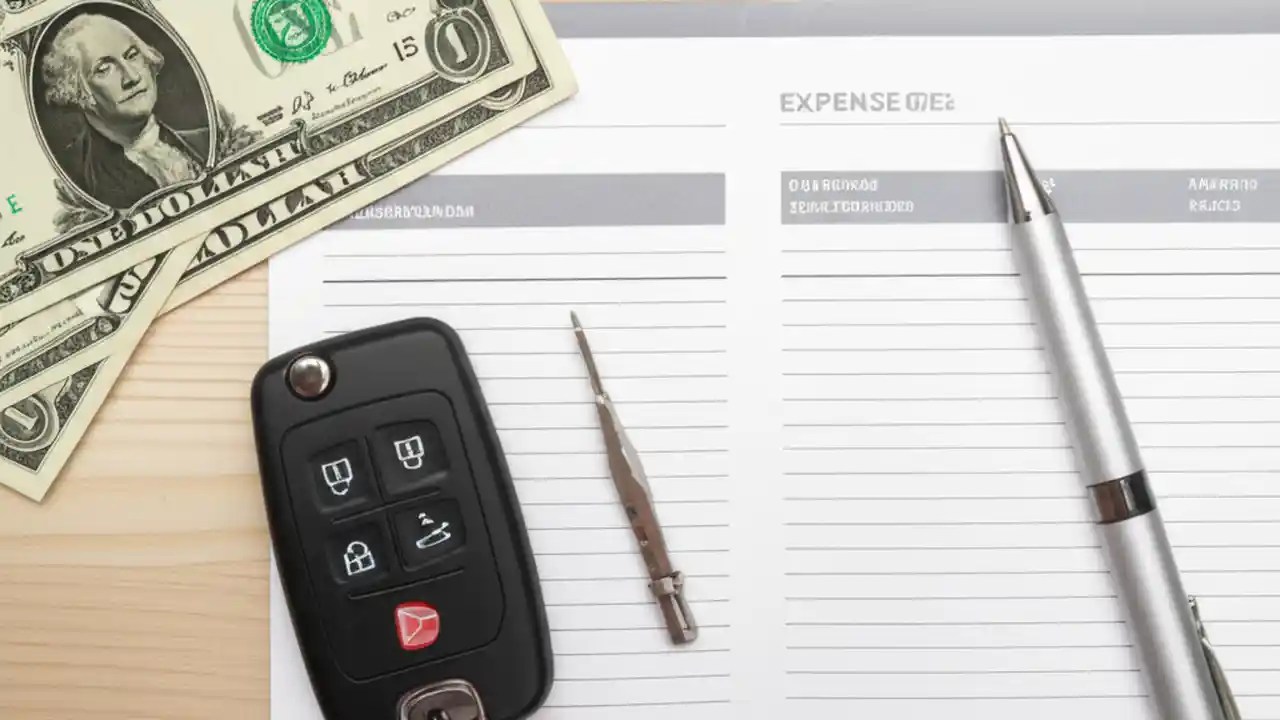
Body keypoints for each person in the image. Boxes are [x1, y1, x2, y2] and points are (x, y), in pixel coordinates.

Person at [40, 13, 209, 209]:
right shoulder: (86, 189)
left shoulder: (205, 141)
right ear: (76, 91)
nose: (132, 77)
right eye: (104, 69)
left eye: (132, 55)